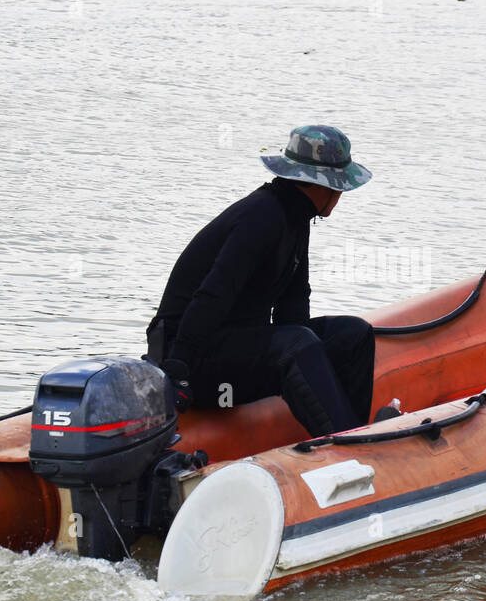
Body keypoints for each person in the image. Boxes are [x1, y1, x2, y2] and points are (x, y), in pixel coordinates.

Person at [144, 125, 377, 437]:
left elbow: (293, 307)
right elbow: (213, 295)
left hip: (236, 345)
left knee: (354, 334)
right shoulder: (262, 216)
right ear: (320, 185)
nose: (340, 196)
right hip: (191, 360)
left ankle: (354, 432)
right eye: (339, 187)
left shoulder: (296, 217)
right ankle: (346, 440)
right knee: (296, 343)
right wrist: (179, 369)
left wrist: (316, 359)